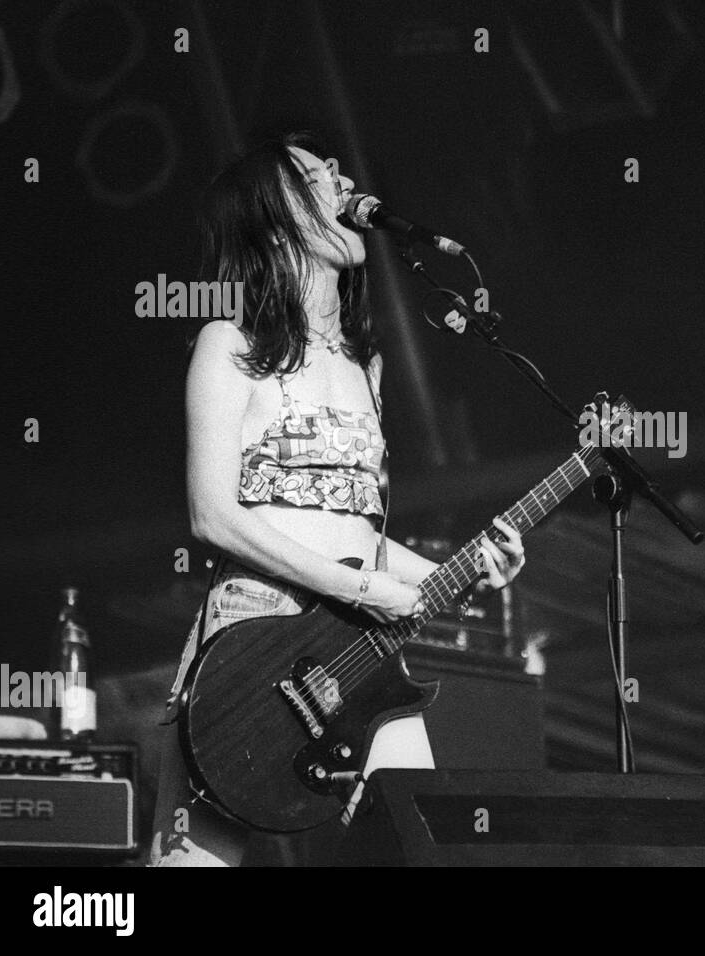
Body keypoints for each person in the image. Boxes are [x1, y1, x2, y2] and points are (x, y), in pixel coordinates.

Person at [149, 133, 525, 866]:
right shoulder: (228, 343)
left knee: (420, 845)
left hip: (354, 647)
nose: (345, 181)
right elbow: (214, 515)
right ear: (275, 213)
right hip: (256, 635)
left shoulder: (362, 363)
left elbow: (349, 526)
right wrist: (364, 586)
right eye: (319, 176)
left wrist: (458, 567)